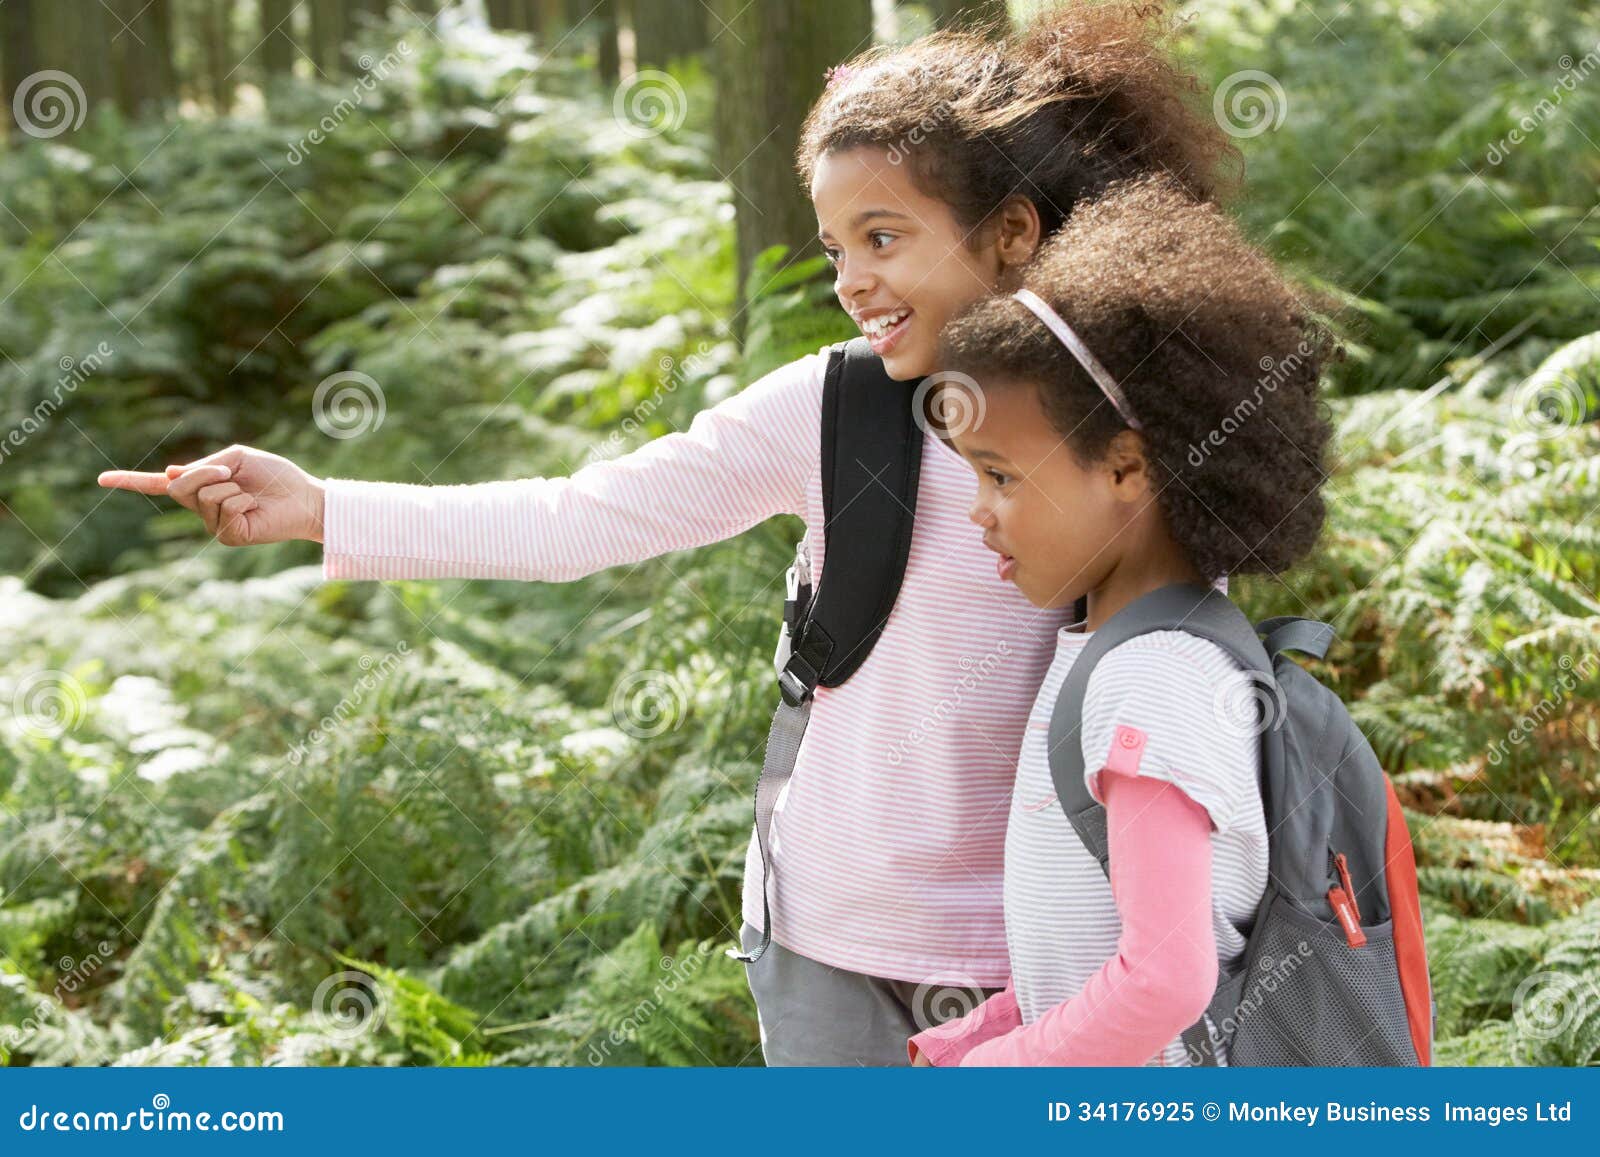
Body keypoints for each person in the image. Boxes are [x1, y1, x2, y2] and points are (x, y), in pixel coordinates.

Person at [99, 5, 1236, 1066]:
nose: (851, 279)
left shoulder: (1130, 436)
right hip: (824, 944)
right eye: (834, 246)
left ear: (1011, 233)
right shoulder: (831, 406)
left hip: (1055, 948)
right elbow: (583, 517)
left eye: (882, 236)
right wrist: (324, 507)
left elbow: (1175, 671)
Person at [911, 174, 1333, 1066]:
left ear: (1127, 468)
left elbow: (1165, 980)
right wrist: (995, 1025)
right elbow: (1099, 937)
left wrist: (998, 1075)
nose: (977, 510)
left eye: (1002, 474)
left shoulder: (1156, 681)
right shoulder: (1126, 650)